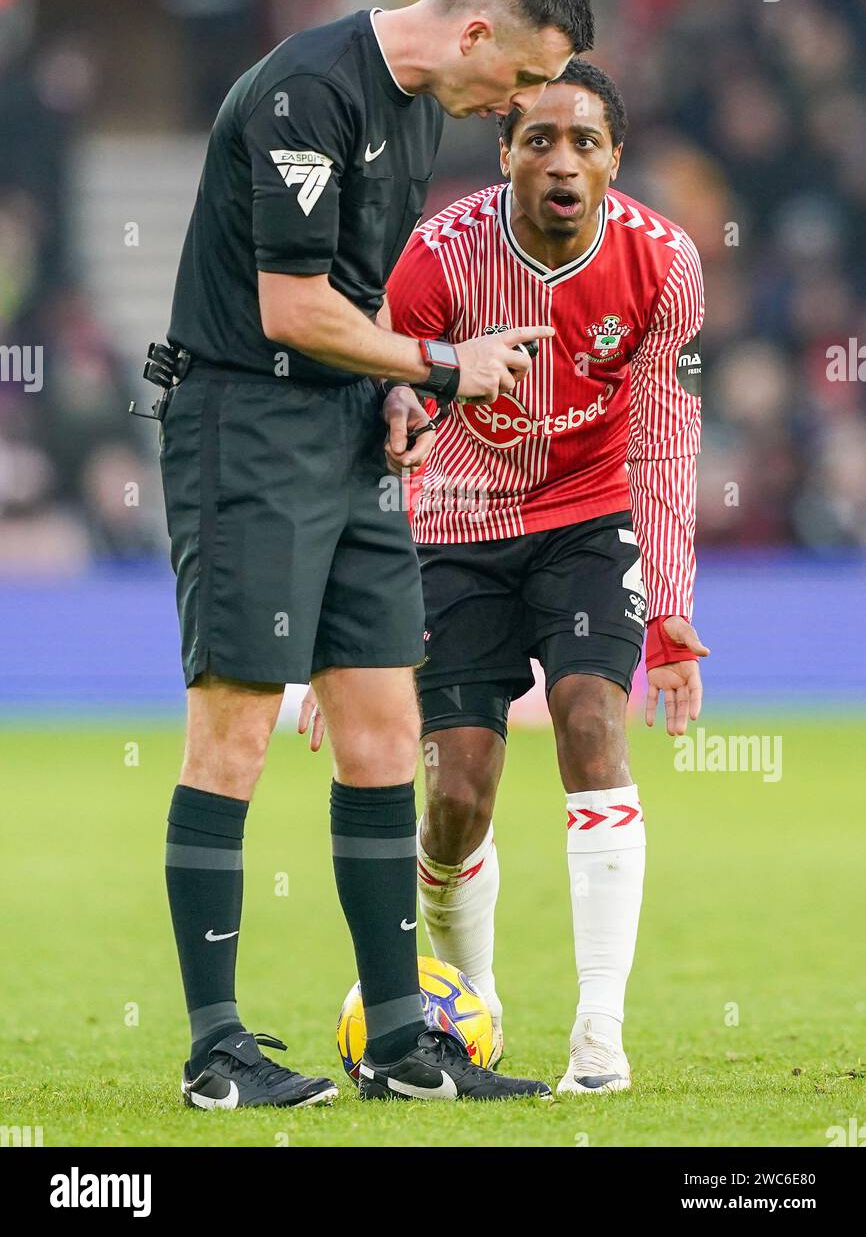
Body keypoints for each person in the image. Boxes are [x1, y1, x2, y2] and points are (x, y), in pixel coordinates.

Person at [158, 0, 594, 1108]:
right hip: (243, 424)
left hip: (347, 431)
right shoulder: (310, 89)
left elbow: (348, 301)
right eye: (515, 82)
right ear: (470, 36)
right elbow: (292, 307)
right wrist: (446, 366)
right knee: (235, 732)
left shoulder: (412, 112)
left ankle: (402, 1044)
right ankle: (215, 1055)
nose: (511, 108)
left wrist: (397, 382)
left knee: (382, 729)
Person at [301, 59, 708, 1096]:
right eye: (538, 140)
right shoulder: (435, 261)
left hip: (587, 520)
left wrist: (670, 608)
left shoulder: (661, 263)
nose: (560, 160)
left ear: (615, 157)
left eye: (582, 141)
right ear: (504, 155)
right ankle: (469, 1008)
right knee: (459, 793)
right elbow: (367, 431)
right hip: (451, 527)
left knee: (587, 723)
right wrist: (329, 634)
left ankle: (597, 1038)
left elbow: (662, 441)